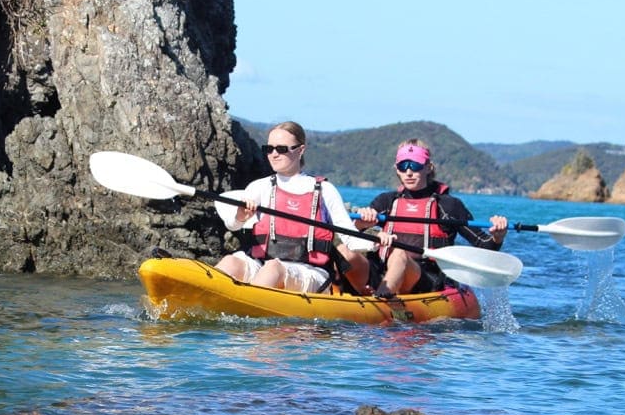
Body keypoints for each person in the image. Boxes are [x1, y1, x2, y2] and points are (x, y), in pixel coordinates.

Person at [216, 121, 373, 294]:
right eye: (269, 149)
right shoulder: (259, 187)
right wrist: (240, 216)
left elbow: (350, 238)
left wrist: (378, 241)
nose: (274, 154)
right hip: (261, 263)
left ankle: (246, 309)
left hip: (310, 270)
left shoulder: (324, 190)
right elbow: (233, 226)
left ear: (300, 150)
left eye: (281, 149)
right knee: (231, 262)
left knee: (273, 268)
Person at [355, 139, 509, 297]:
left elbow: (484, 245)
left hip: (426, 280)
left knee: (399, 254)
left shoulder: (448, 206)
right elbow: (351, 233)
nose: (408, 172)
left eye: (415, 166)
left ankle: (379, 300)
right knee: (344, 251)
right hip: (381, 272)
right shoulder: (385, 201)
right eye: (403, 166)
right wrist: (360, 224)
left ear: (428, 167)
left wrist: (498, 237)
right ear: (397, 169)